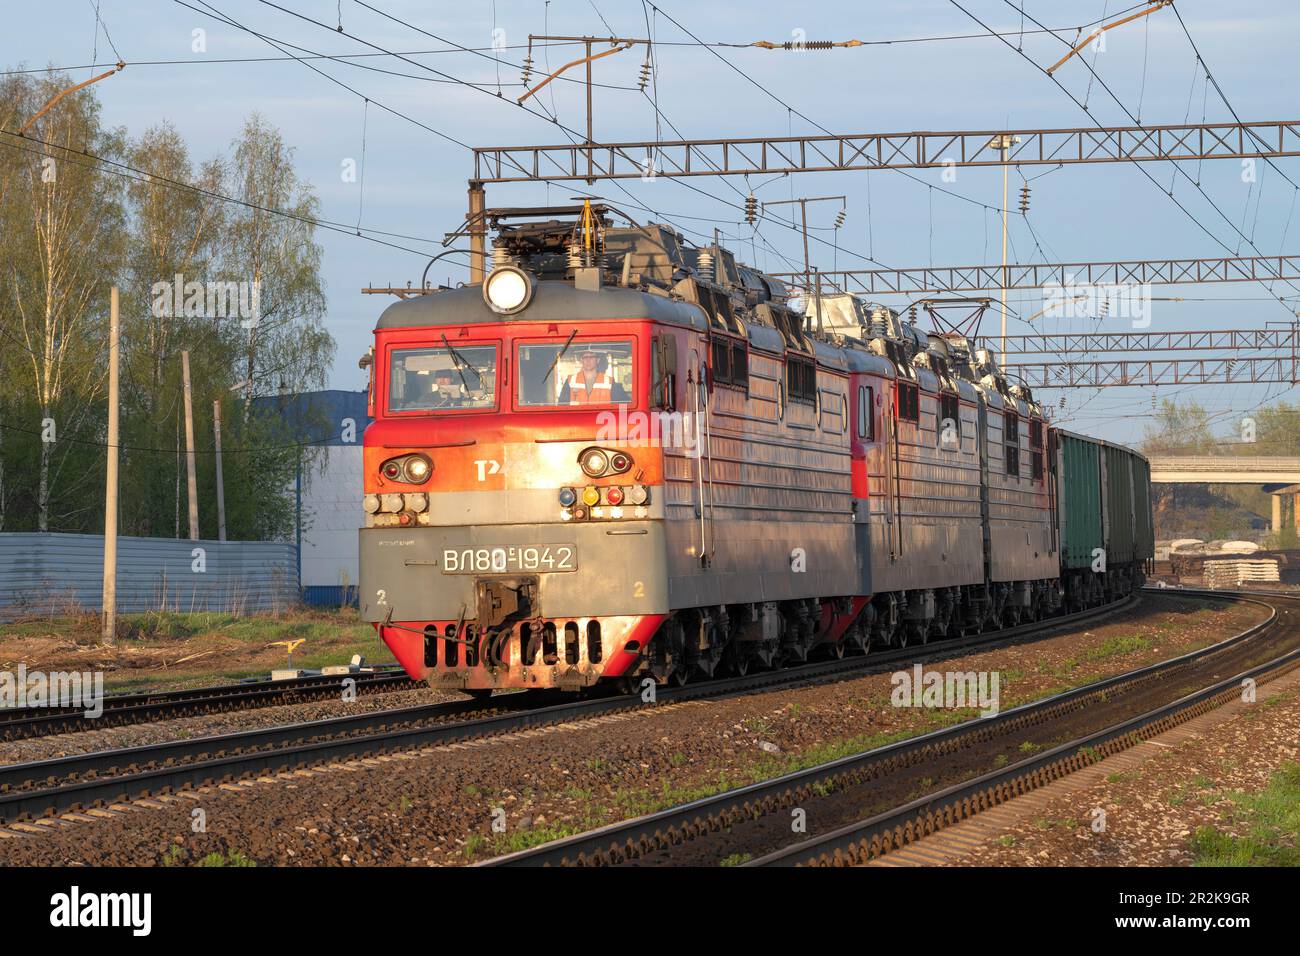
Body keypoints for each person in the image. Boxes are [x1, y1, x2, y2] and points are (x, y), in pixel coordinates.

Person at [559, 348, 629, 404]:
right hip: (577, 421)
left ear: (597, 360)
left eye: (591, 357)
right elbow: (561, 406)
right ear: (581, 360)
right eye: (585, 357)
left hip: (600, 420)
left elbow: (624, 406)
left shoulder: (609, 382)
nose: (588, 360)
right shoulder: (570, 381)